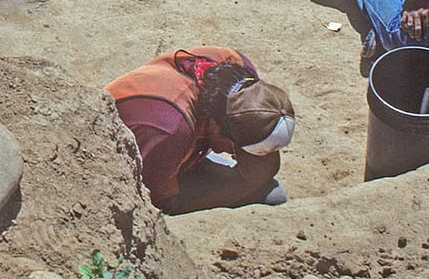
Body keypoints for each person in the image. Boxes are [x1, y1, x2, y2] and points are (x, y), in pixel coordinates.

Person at [105, 46, 295, 214]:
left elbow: (261, 169)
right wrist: (244, 188)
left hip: (171, 146)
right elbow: (159, 202)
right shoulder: (169, 130)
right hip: (129, 157)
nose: (234, 155)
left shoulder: (239, 68)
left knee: (264, 184)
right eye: (235, 149)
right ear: (216, 126)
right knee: (272, 195)